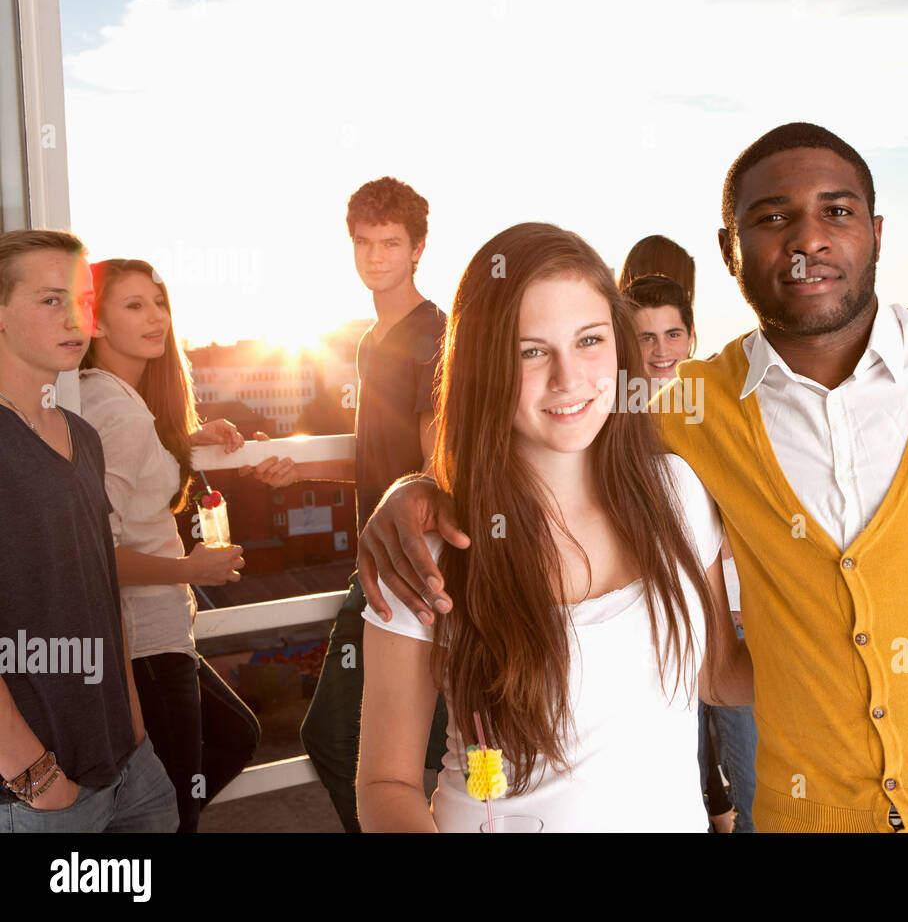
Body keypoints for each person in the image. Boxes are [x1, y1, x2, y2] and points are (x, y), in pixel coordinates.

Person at [360, 123, 908, 832]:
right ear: (730, 251)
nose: (808, 240)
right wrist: (416, 491)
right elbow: (542, 432)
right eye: (772, 219)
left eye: (837, 212)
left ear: (876, 230)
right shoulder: (688, 411)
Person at [355, 223, 752, 831]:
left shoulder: (677, 493)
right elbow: (387, 782)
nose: (569, 378)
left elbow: (721, 677)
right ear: (484, 366)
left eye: (589, 340)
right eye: (531, 350)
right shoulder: (429, 549)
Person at [0, 229, 177, 832]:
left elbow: (101, 587)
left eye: (80, 300)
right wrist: (34, 778)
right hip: (38, 794)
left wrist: (131, 723)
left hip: (129, 767)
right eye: (51, 300)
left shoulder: (85, 436)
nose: (74, 316)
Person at [77, 257, 261, 832]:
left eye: (158, 303)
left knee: (234, 735)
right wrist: (190, 567)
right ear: (97, 324)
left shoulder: (107, 399)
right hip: (146, 649)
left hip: (156, 642)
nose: (156, 316)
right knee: (176, 812)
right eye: (133, 306)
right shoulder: (118, 412)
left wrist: (182, 439)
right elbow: (93, 554)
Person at [289, 177, 450, 833]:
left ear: (417, 249)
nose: (376, 256)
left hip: (407, 565)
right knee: (435, 742)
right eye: (364, 241)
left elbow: (434, 471)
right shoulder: (368, 339)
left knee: (334, 736)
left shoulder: (432, 336)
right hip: (379, 564)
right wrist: (293, 471)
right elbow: (375, 462)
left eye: (391, 243)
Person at [624, 265, 759, 834]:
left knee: (753, 772)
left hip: (730, 612)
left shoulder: (724, 402)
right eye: (645, 337)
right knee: (685, 780)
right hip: (652, 626)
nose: (660, 350)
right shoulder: (608, 417)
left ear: (692, 335)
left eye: (672, 334)